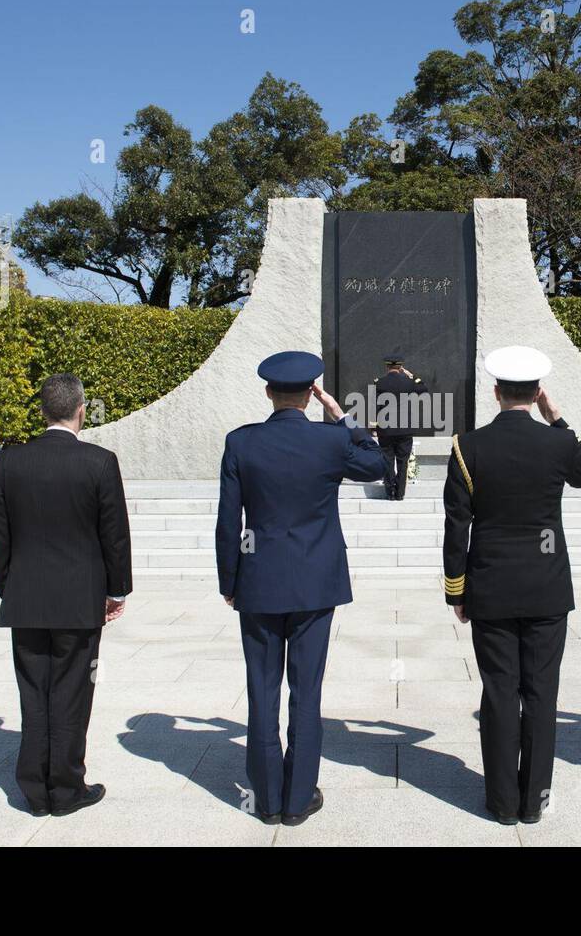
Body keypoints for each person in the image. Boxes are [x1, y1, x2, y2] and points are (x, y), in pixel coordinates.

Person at [216, 351, 386, 826]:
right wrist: (343, 417)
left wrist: (229, 580)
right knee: (306, 693)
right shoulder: (329, 441)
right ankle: (298, 800)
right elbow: (376, 466)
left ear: (268, 392)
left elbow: (228, 521)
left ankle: (266, 799)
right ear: (311, 393)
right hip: (315, 583)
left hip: (260, 581)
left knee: (262, 690)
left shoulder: (241, 443)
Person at [442, 345, 581, 825]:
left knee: (498, 692)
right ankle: (534, 799)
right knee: (540, 692)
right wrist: (560, 422)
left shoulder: (466, 447)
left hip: (490, 586)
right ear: (537, 394)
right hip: (546, 588)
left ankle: (502, 802)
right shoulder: (558, 444)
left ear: (495, 393)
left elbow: (457, 526)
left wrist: (457, 589)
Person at [0, 373, 132, 817]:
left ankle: (33, 788)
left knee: (33, 692)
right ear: (81, 410)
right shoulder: (100, 462)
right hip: (78, 600)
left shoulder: (8, 463)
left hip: (26, 599)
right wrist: (116, 590)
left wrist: (9, 585)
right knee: (71, 692)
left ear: (43, 411)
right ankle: (66, 788)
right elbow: (114, 535)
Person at [371, 353, 425, 501]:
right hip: (405, 429)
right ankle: (400, 493)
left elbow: (374, 405)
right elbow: (423, 390)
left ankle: (390, 493)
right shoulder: (408, 382)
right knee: (403, 461)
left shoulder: (379, 383)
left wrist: (374, 426)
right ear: (400, 367)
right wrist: (412, 376)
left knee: (387, 460)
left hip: (386, 429)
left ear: (387, 366)